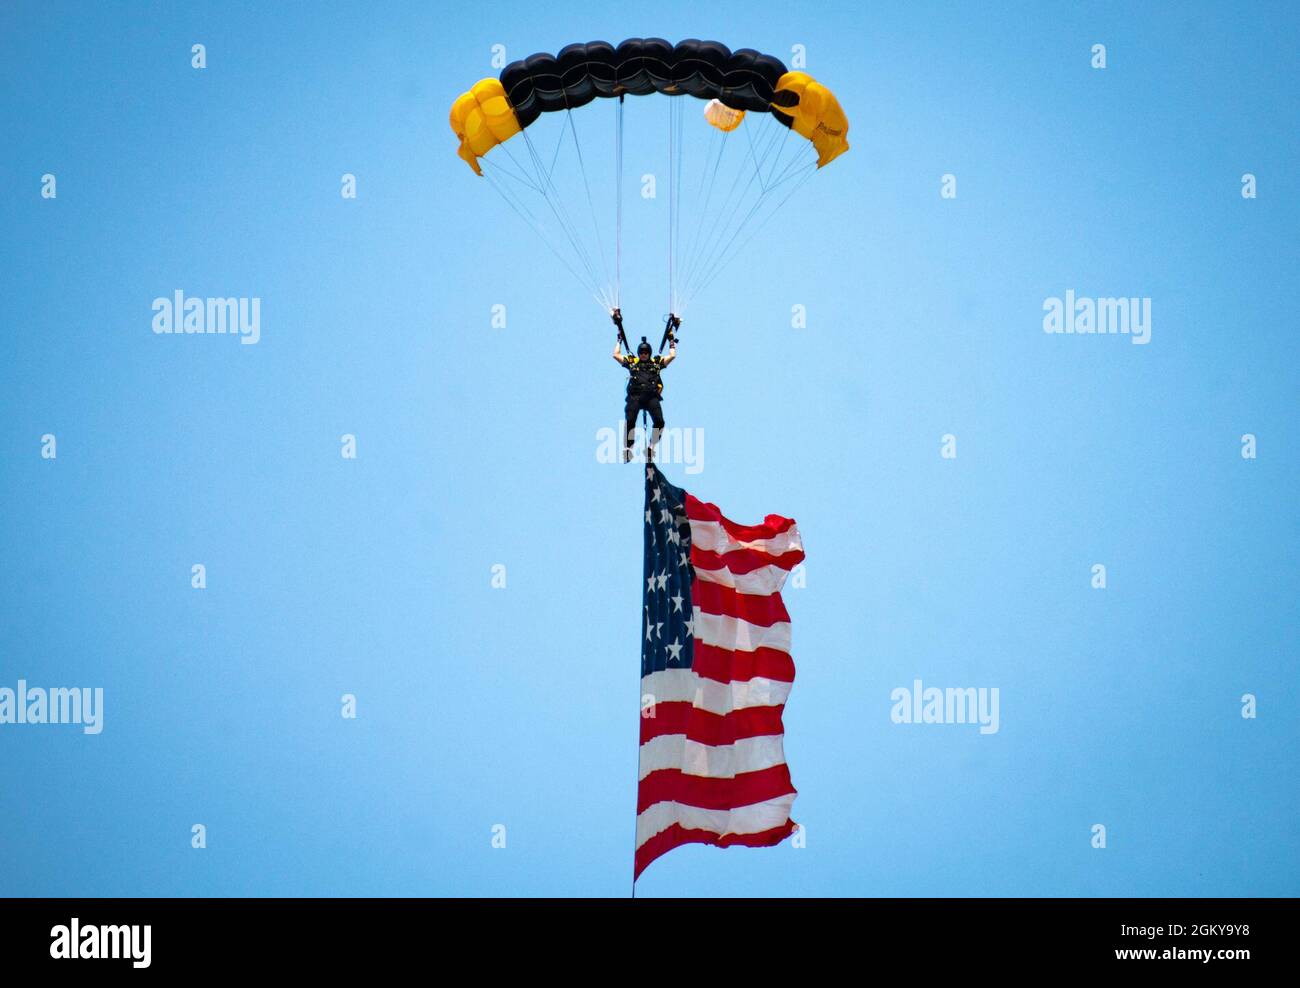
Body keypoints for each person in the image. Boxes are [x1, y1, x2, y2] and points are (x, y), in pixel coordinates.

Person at [612, 311, 677, 462]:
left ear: (649, 353)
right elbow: (616, 355)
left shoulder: (656, 363)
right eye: (642, 352)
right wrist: (619, 341)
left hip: (651, 397)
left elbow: (672, 356)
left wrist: (671, 340)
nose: (644, 354)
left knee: (660, 422)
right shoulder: (632, 361)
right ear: (639, 353)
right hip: (635, 396)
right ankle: (628, 449)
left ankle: (650, 448)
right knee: (630, 421)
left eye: (646, 352)